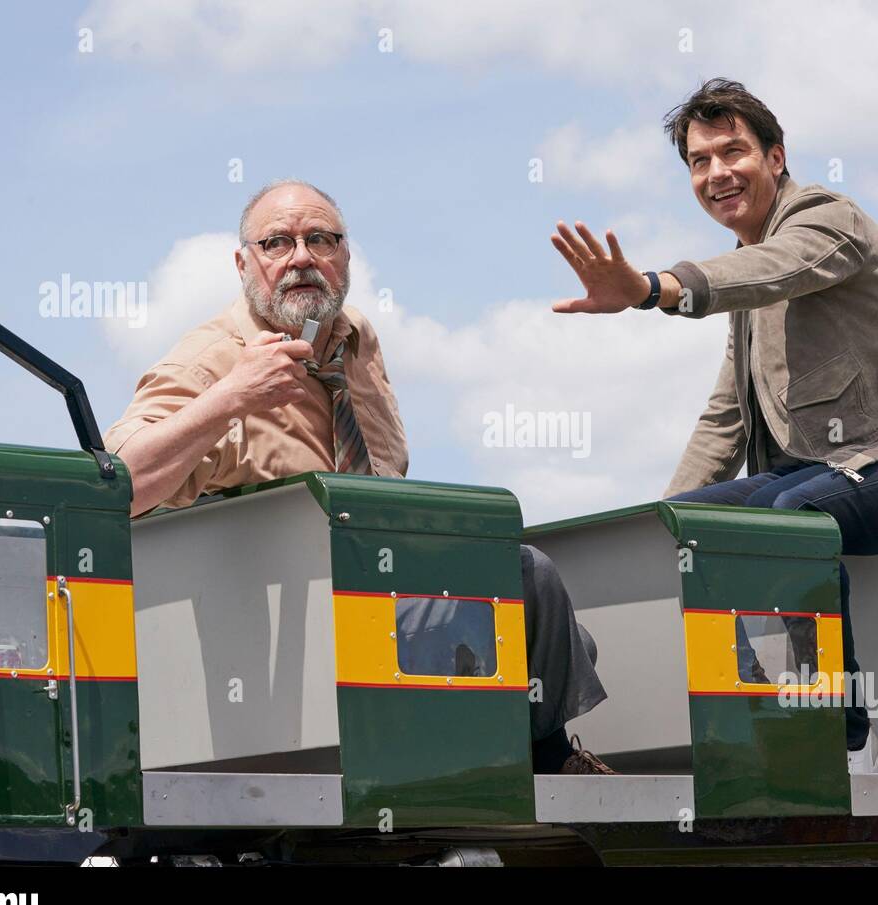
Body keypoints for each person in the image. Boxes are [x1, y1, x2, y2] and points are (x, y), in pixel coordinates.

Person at [548, 78, 878, 774]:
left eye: (733, 151)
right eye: (698, 161)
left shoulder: (827, 220)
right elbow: (725, 416)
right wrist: (666, 520)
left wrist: (652, 288)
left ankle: (843, 740)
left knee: (785, 516)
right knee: (704, 524)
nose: (716, 172)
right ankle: (760, 719)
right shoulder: (750, 295)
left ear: (776, 157)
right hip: (819, 477)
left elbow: (778, 267)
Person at [106, 179, 612, 775]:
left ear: (345, 256)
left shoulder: (355, 338)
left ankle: (484, 768)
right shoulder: (212, 360)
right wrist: (232, 396)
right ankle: (548, 762)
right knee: (530, 582)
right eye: (277, 243)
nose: (300, 257)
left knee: (552, 625)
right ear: (243, 263)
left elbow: (385, 478)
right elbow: (118, 481)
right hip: (291, 639)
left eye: (320, 239)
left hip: (383, 591)